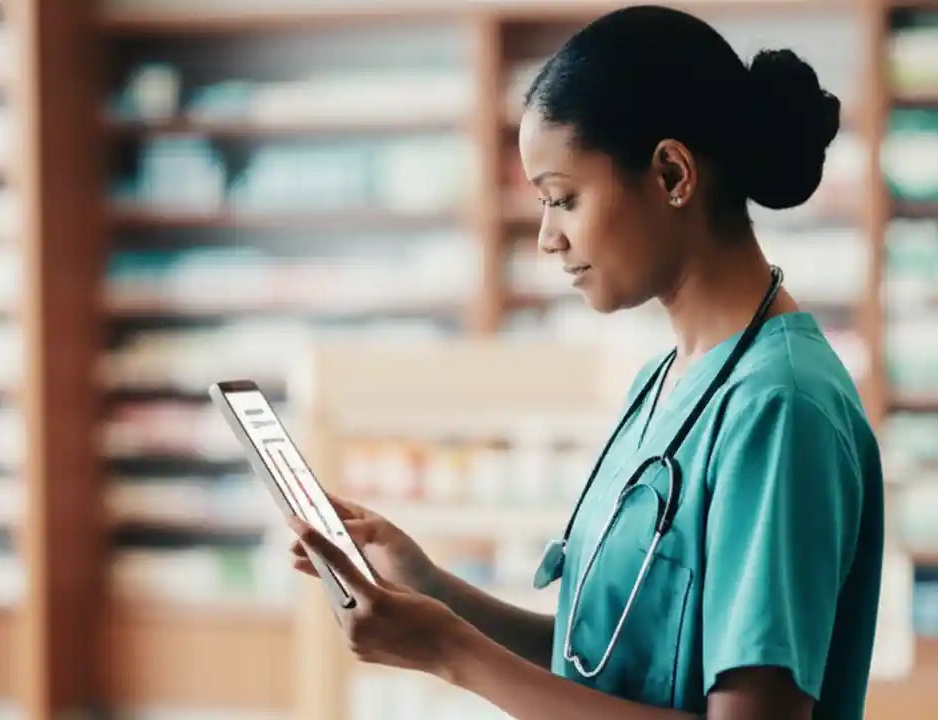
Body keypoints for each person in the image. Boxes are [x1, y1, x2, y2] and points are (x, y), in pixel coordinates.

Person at [288, 5, 883, 719]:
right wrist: (434, 591)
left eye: (562, 199)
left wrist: (453, 652)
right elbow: (604, 662)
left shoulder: (778, 409)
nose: (546, 238)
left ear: (671, 174)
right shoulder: (662, 385)